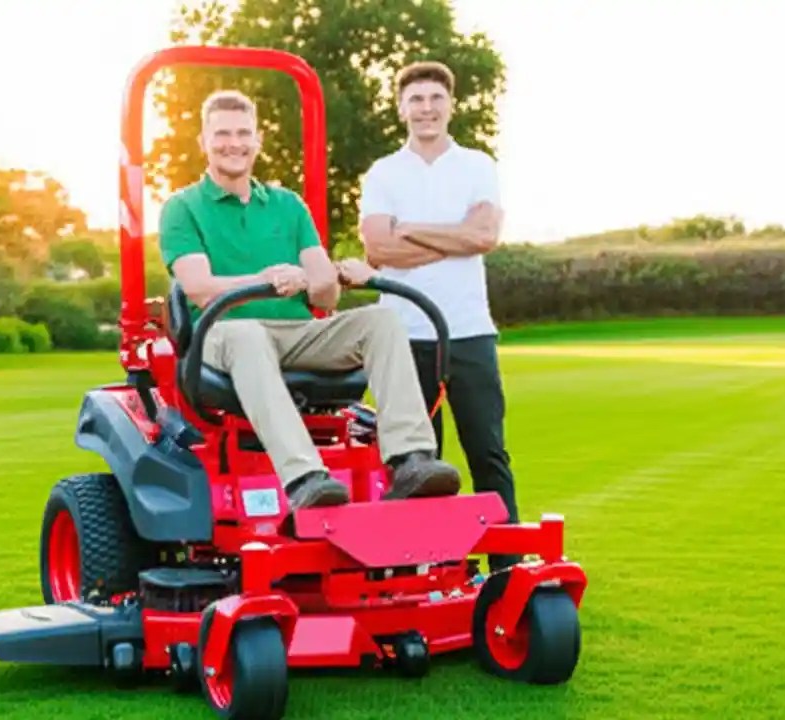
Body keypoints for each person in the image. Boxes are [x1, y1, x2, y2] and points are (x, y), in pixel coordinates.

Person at [157, 88, 462, 511]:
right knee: (247, 336)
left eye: (243, 133)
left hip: (297, 331)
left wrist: (325, 280)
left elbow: (324, 291)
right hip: (221, 333)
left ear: (257, 140)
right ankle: (305, 476)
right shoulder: (182, 207)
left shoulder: (288, 205)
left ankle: (411, 459)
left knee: (382, 321)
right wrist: (262, 279)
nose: (234, 143)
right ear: (204, 142)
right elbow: (198, 286)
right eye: (222, 134)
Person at [358, 61, 521, 565]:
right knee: (417, 462)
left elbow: (484, 237)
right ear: (401, 107)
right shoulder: (384, 172)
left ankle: (507, 566)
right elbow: (377, 250)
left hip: (468, 331)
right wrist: (450, 235)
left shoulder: (477, 165)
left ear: (450, 105)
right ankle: (429, 566)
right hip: (402, 335)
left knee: (487, 452)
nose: (426, 109)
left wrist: (408, 229)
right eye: (416, 100)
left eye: (435, 99)